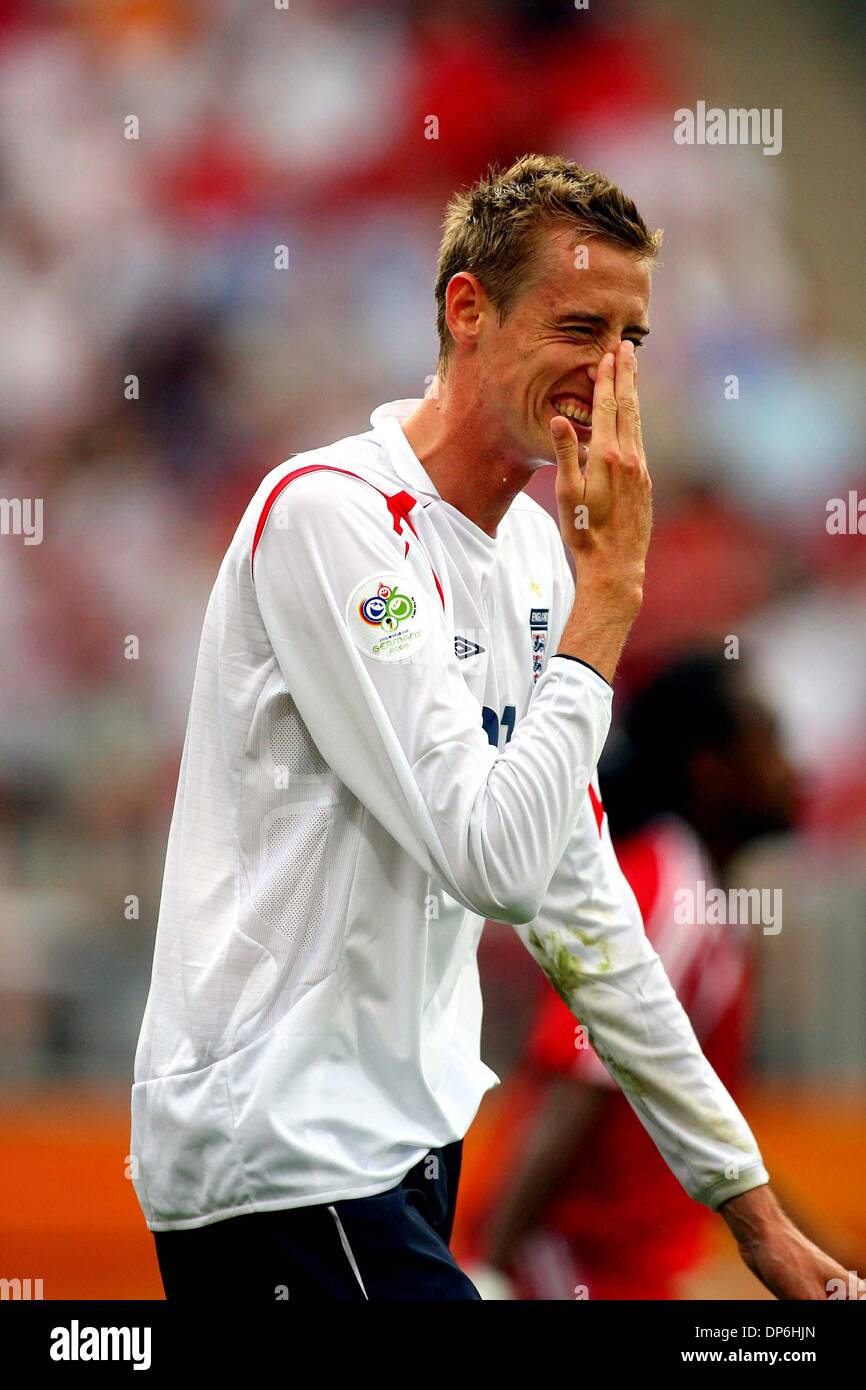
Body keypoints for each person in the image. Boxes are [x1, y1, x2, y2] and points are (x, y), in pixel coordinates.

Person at [130, 154, 852, 1301]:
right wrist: (610, 598)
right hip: (280, 1153)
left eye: (632, 336)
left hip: (399, 1155)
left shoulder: (526, 554)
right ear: (467, 309)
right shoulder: (330, 519)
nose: (608, 371)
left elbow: (579, 901)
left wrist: (745, 1205)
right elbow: (491, 862)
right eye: (577, 325)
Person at [472, 652, 801, 1299]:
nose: (793, 769)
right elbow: (572, 1089)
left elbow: (699, 1119)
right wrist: (488, 1273)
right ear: (709, 767)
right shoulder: (665, 890)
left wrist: (802, 1245)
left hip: (625, 1275)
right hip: (567, 1270)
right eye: (769, 740)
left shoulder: (701, 902)